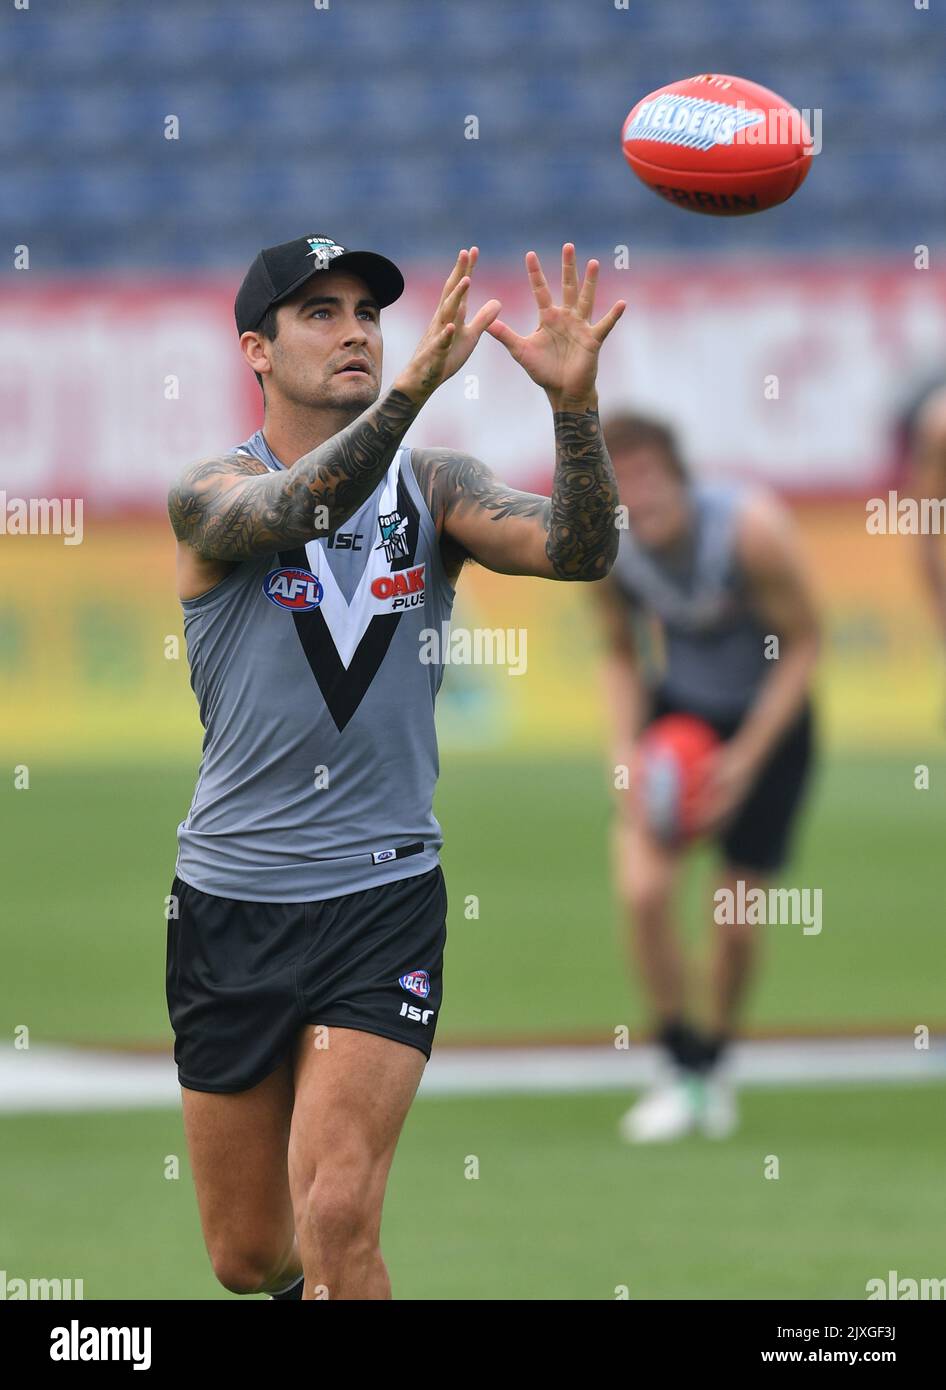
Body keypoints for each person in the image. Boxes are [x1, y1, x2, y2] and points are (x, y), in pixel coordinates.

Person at [166, 234, 624, 1298]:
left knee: (336, 1215)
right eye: (319, 313)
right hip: (231, 901)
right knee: (248, 1257)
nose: (356, 330)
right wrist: (410, 394)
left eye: (367, 312)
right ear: (255, 351)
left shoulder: (435, 486)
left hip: (382, 895)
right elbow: (302, 510)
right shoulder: (211, 493)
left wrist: (572, 405)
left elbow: (583, 550)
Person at [595, 412, 820, 1142]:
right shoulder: (605, 546)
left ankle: (716, 1065)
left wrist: (746, 760)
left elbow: (807, 644)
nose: (640, 495)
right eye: (620, 481)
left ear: (680, 477)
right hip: (679, 719)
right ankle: (677, 1062)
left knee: (734, 917)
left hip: (767, 725)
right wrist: (622, 752)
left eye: (649, 476)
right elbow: (620, 653)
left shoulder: (750, 531)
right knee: (644, 888)